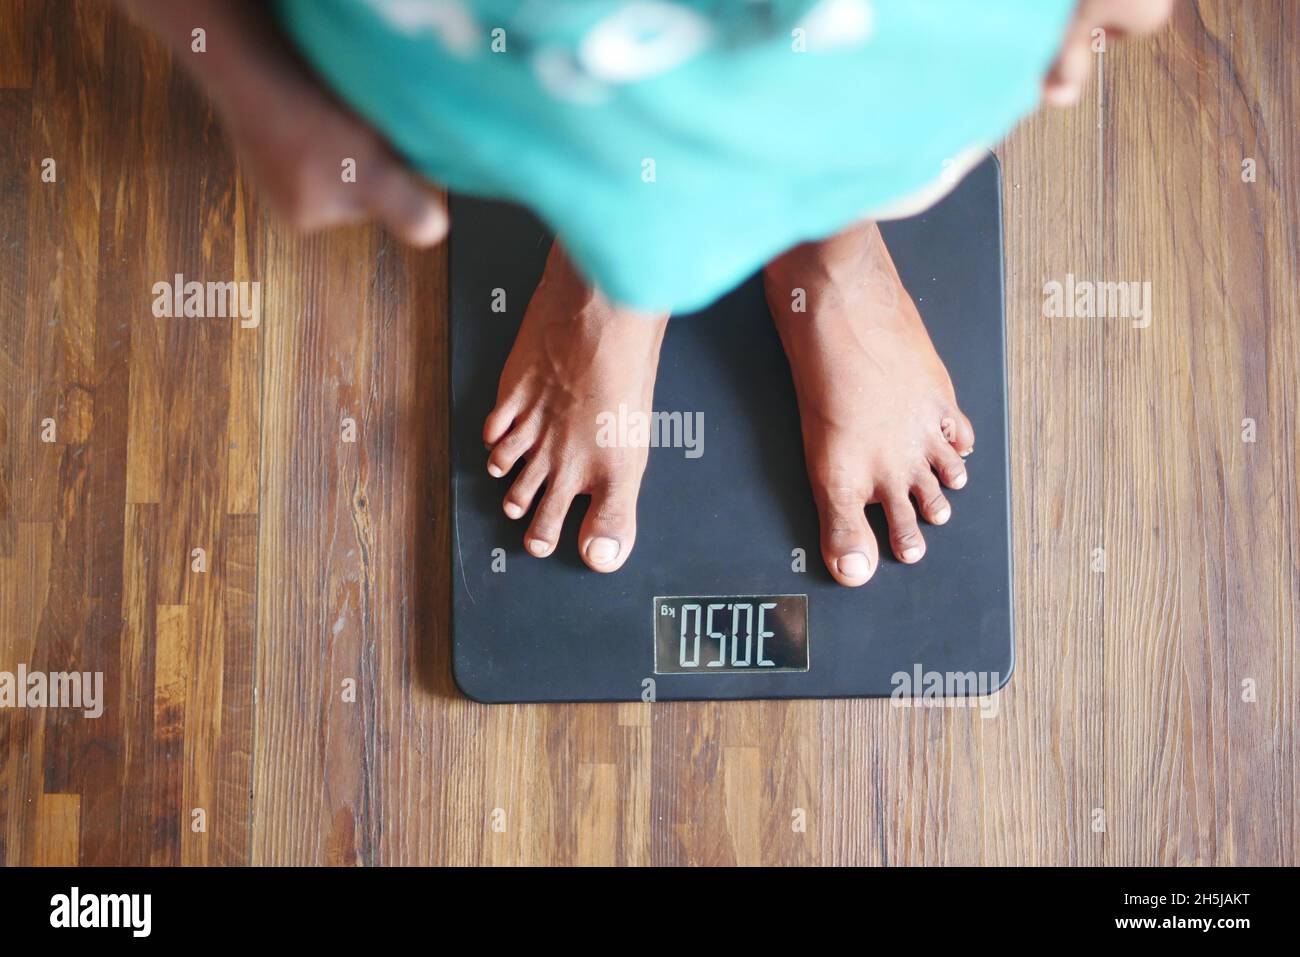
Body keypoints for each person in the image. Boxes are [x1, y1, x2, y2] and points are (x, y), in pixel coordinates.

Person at [120, 0, 1175, 585]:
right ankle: (608, 278)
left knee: (844, 138)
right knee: (583, 157)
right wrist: (238, 66)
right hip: (499, 50)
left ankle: (826, 258)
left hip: (892, 38)